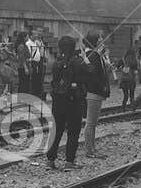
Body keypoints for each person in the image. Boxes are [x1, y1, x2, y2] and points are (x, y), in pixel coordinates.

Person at [45, 36, 84, 170]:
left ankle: (50, 160)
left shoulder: (56, 63)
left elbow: (55, 81)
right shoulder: (78, 62)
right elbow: (84, 80)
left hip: (58, 101)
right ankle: (69, 161)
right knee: (73, 131)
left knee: (56, 130)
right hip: (74, 101)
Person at [80, 33, 111, 159]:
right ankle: (89, 150)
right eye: (99, 38)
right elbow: (93, 75)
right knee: (91, 122)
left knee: (93, 122)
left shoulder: (95, 55)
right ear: (94, 41)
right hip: (94, 92)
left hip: (95, 92)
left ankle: (92, 148)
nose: (102, 40)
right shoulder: (93, 56)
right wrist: (101, 87)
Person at [25, 31, 46, 99]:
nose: (36, 36)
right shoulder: (28, 43)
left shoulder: (35, 42)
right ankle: (32, 95)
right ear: (31, 36)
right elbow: (28, 53)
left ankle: (38, 94)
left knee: (38, 79)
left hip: (38, 62)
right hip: (32, 62)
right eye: (35, 34)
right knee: (33, 79)